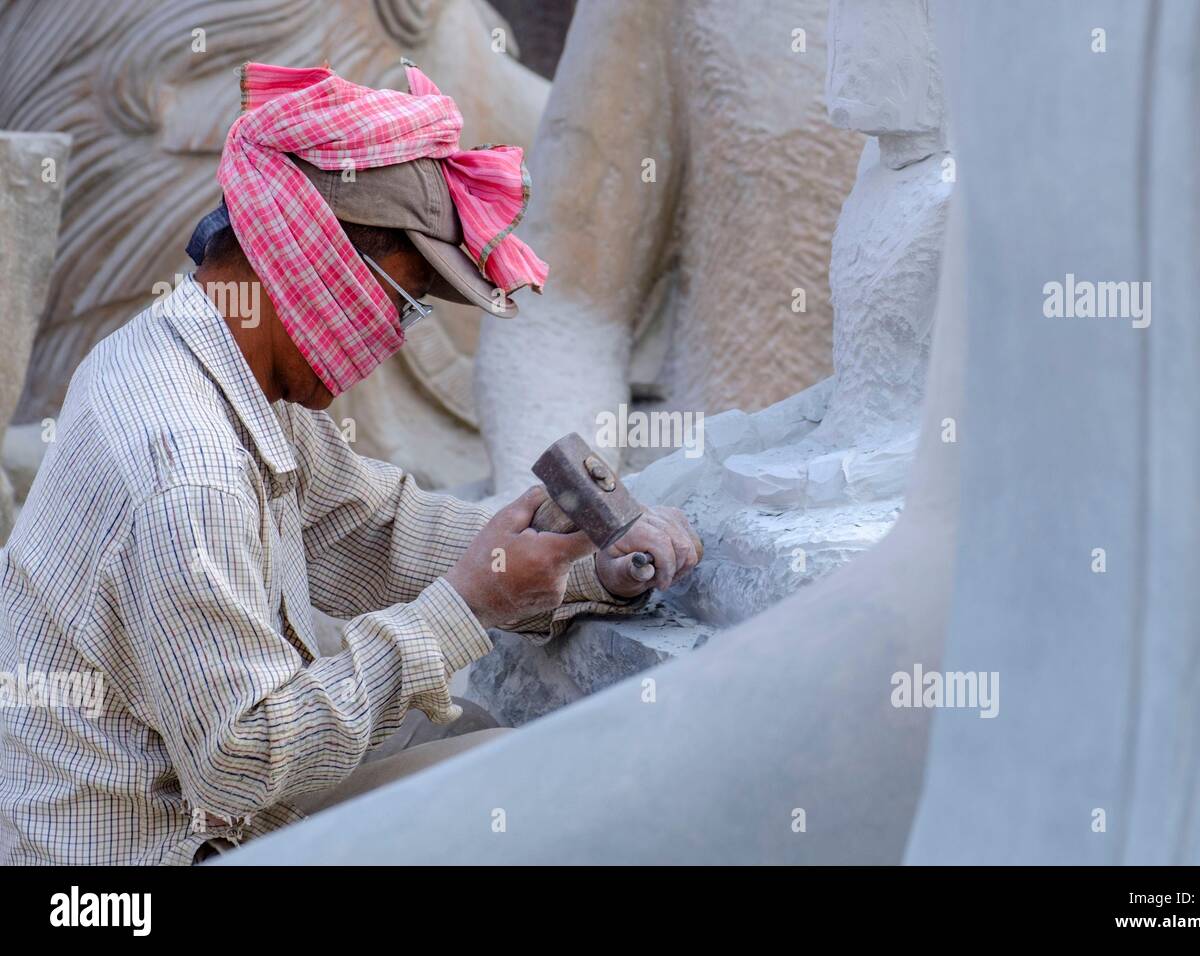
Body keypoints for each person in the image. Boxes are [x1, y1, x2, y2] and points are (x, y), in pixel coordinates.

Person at [0, 61, 699, 864]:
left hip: (189, 805)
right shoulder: (187, 462)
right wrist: (469, 607)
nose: (394, 336)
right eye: (403, 302)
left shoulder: (216, 362)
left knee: (466, 734)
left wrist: (579, 569)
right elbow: (241, 759)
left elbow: (372, 530)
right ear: (309, 256)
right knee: (524, 789)